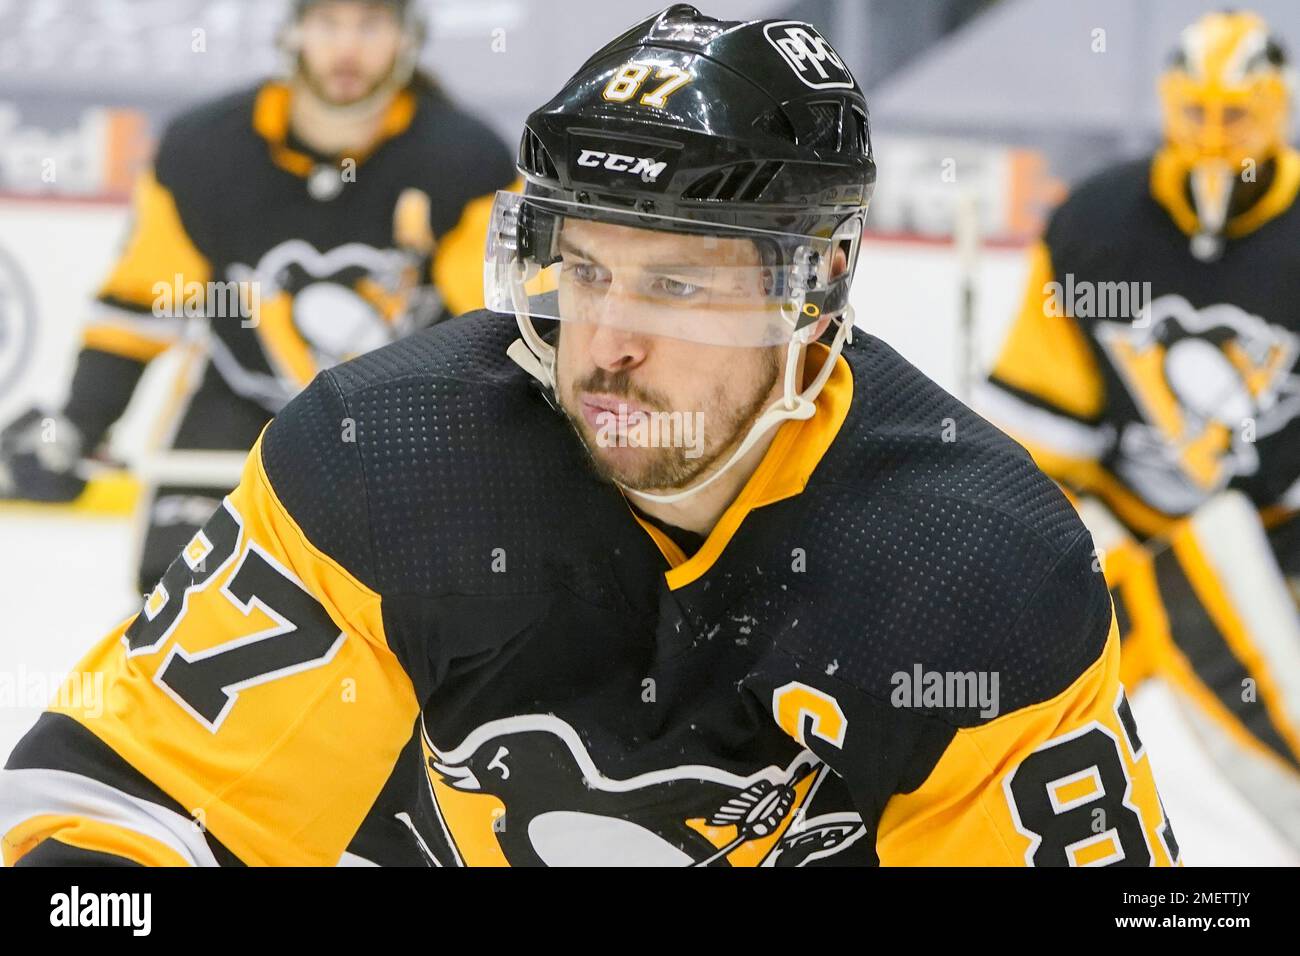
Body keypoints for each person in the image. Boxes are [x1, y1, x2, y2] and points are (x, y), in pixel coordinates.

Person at [0, 3, 1175, 867]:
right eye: (585, 270)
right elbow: (112, 814)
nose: (603, 341)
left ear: (815, 286)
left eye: (674, 284)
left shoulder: (978, 567)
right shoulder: (382, 454)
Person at [0, 0, 517, 595]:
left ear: (407, 39)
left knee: (408, 616)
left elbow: (493, 325)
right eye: (328, 25)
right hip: (235, 407)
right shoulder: (207, 150)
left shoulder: (465, 159)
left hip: (394, 423)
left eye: (371, 25)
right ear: (293, 33)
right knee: (175, 596)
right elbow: (142, 305)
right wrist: (77, 426)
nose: (347, 50)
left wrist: (509, 445)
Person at [978, 9, 1300, 853]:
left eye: (1237, 114)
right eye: (1197, 111)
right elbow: (1036, 427)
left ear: (1279, 107)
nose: (1215, 137)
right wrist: (1075, 538)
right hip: (1115, 536)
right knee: (981, 728)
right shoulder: (1098, 222)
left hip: (1276, 539)